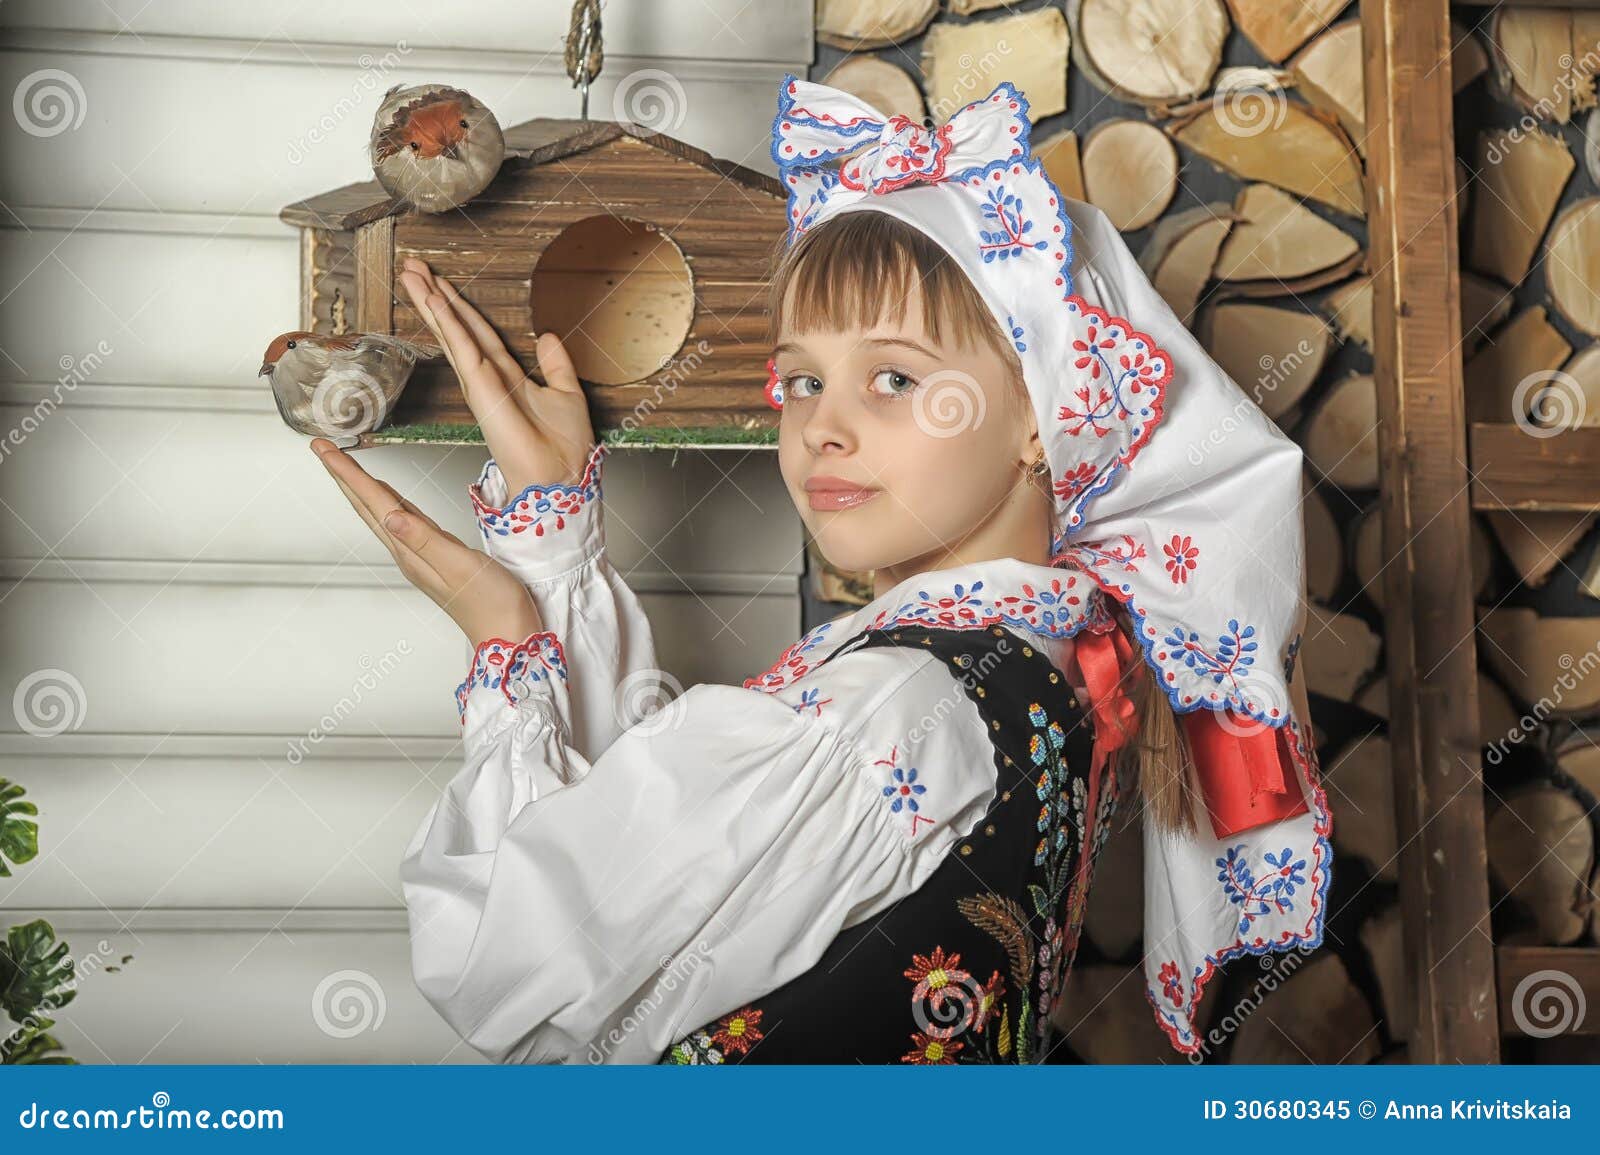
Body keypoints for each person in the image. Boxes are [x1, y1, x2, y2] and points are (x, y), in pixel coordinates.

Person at [310, 76, 1331, 1064]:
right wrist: (555, 538)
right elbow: (676, 888)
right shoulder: (1042, 669)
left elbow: (514, 968)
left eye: (893, 379)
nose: (820, 430)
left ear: (1041, 411)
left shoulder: (887, 711)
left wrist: (506, 642)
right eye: (800, 379)